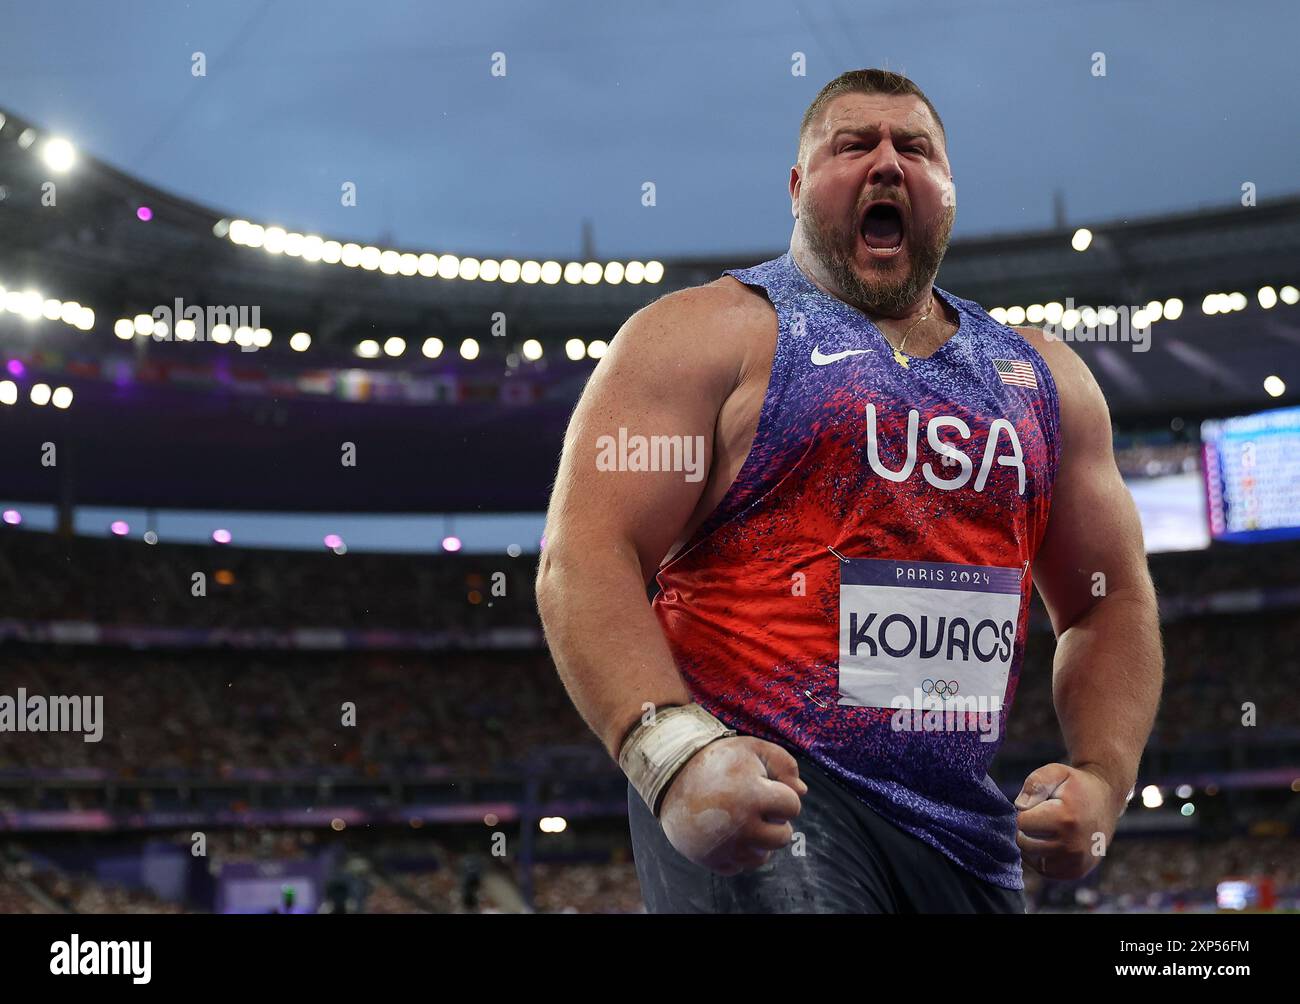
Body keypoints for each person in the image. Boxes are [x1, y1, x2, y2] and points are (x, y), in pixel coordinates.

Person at [535, 68, 1163, 913]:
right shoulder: (703, 336)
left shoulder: (1046, 378)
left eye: (914, 147)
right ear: (797, 188)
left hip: (967, 836)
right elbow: (586, 553)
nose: (887, 163)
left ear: (947, 190)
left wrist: (1105, 774)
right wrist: (670, 750)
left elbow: (1110, 597)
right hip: (767, 791)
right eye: (853, 144)